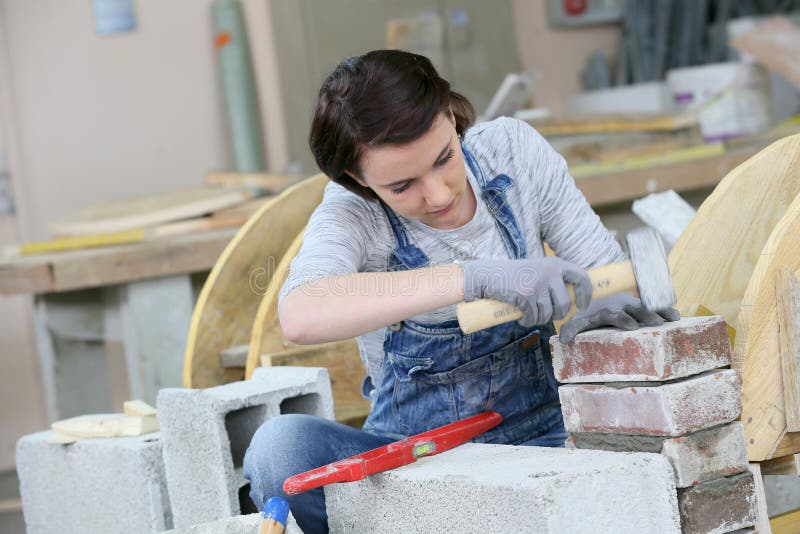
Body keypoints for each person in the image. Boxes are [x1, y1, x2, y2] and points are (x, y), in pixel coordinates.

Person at [243, 49, 679, 533]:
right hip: (418, 471)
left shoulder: (511, 151)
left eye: (444, 158)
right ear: (358, 180)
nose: (439, 195)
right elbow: (301, 313)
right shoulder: (352, 212)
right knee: (279, 453)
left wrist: (617, 320)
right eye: (403, 185)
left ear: (451, 116)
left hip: (550, 445)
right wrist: (474, 277)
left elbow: (607, 274)